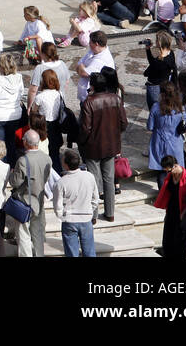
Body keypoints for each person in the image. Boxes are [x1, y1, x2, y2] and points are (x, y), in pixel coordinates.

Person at [80, 73, 127, 221]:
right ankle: (110, 213)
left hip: (93, 147)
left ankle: (93, 215)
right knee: (108, 179)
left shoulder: (89, 102)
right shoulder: (116, 99)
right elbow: (123, 123)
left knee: (94, 180)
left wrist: (82, 141)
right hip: (111, 146)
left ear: (92, 86)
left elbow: (85, 128)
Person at [54, 148, 100, 257]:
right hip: (86, 219)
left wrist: (62, 216)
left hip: (69, 220)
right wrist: (89, 210)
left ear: (65, 164)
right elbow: (95, 198)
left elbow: (57, 205)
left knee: (71, 253)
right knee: (89, 252)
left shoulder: (61, 182)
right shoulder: (89, 176)